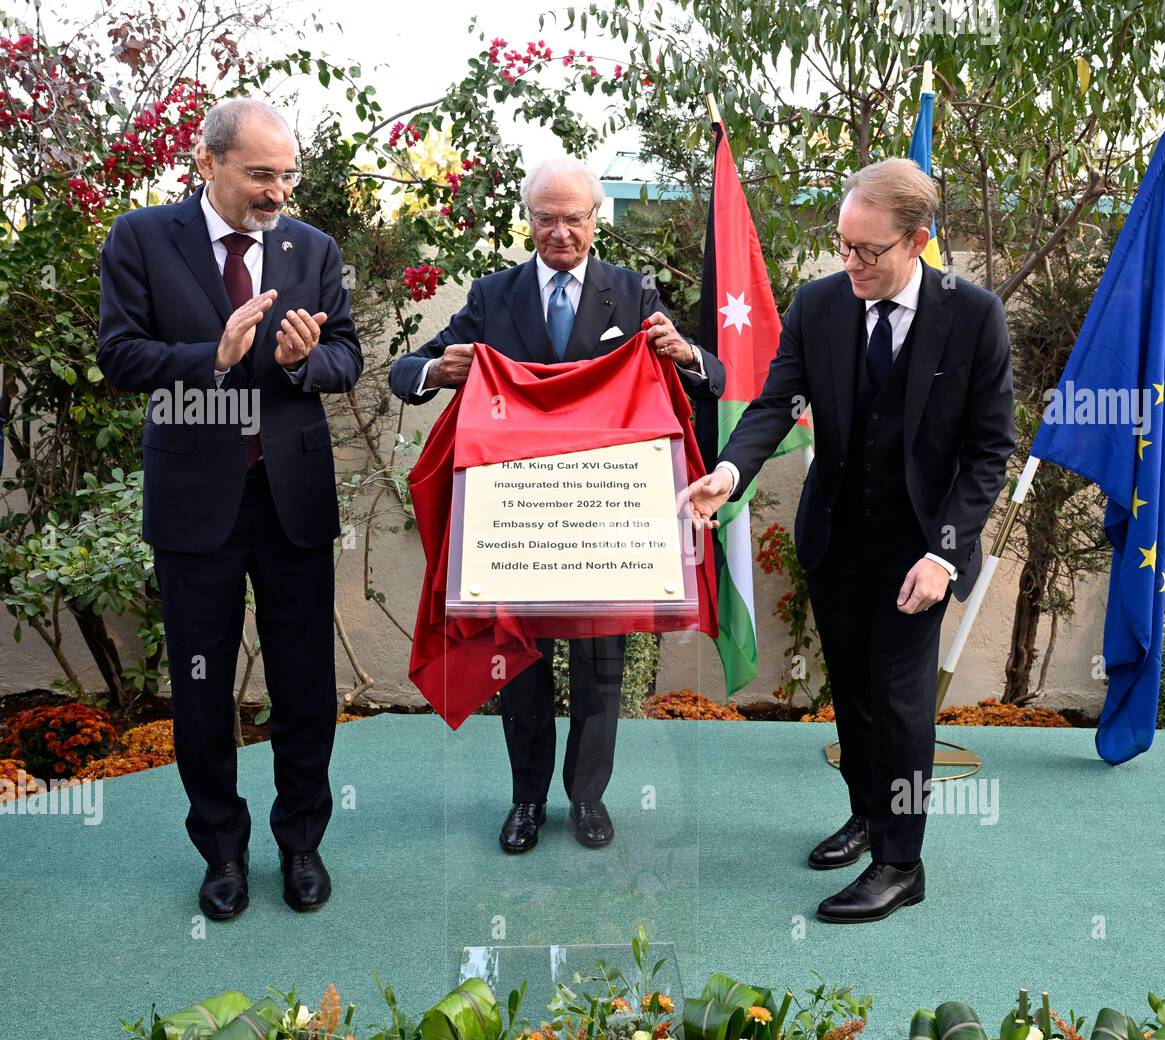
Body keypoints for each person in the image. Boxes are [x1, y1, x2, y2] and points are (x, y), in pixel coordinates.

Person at [686, 158, 1015, 923]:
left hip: (919, 553)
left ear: (918, 241)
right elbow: (774, 404)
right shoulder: (818, 305)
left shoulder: (973, 316)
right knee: (858, 700)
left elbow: (988, 450)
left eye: (870, 251)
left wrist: (945, 554)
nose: (853, 263)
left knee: (902, 704)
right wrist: (730, 473)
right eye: (844, 246)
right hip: (835, 539)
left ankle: (902, 861)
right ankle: (869, 813)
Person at [390, 157, 724, 854]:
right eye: (547, 217)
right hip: (517, 522)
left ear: (597, 219)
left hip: (608, 519)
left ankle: (589, 800)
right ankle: (527, 801)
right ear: (529, 218)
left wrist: (685, 352)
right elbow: (404, 373)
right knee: (520, 666)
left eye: (575, 218)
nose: (561, 232)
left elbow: (714, 379)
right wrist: (435, 370)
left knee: (603, 667)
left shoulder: (632, 293)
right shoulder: (492, 296)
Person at [98, 98, 363, 920]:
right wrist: (209, 355)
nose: (276, 191)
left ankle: (302, 844)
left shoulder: (311, 249)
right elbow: (118, 356)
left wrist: (301, 362)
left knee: (304, 683)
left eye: (286, 174)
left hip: (291, 503)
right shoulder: (141, 239)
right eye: (259, 174)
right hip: (194, 506)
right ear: (207, 161)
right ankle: (221, 852)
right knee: (203, 687)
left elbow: (348, 356)